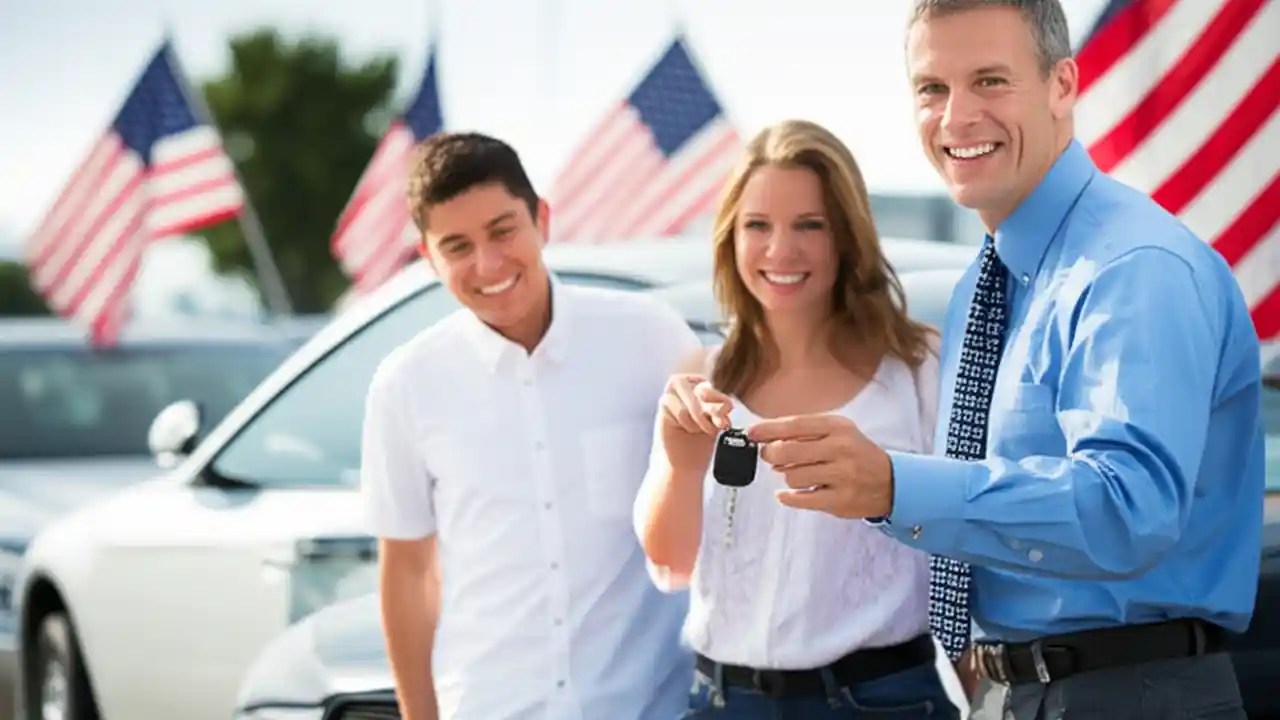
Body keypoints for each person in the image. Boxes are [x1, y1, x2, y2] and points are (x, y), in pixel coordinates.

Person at [743, 1, 1265, 718]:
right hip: (1012, 694)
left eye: (990, 81)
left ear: (1062, 86)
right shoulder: (983, 287)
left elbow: (1126, 510)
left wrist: (896, 485)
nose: (956, 117)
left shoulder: (1133, 269)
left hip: (1129, 693)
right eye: (932, 88)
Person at [360, 131, 699, 720]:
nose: (488, 264)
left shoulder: (651, 338)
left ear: (541, 218)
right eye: (457, 246)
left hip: (648, 707)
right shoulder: (405, 384)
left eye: (502, 230)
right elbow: (409, 574)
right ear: (427, 255)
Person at [633, 118, 962, 718]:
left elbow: (963, 544)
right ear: (730, 236)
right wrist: (679, 465)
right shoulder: (701, 375)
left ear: (847, 237)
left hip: (882, 700)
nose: (781, 250)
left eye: (810, 226)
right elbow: (670, 563)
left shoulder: (919, 370)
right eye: (758, 225)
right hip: (723, 702)